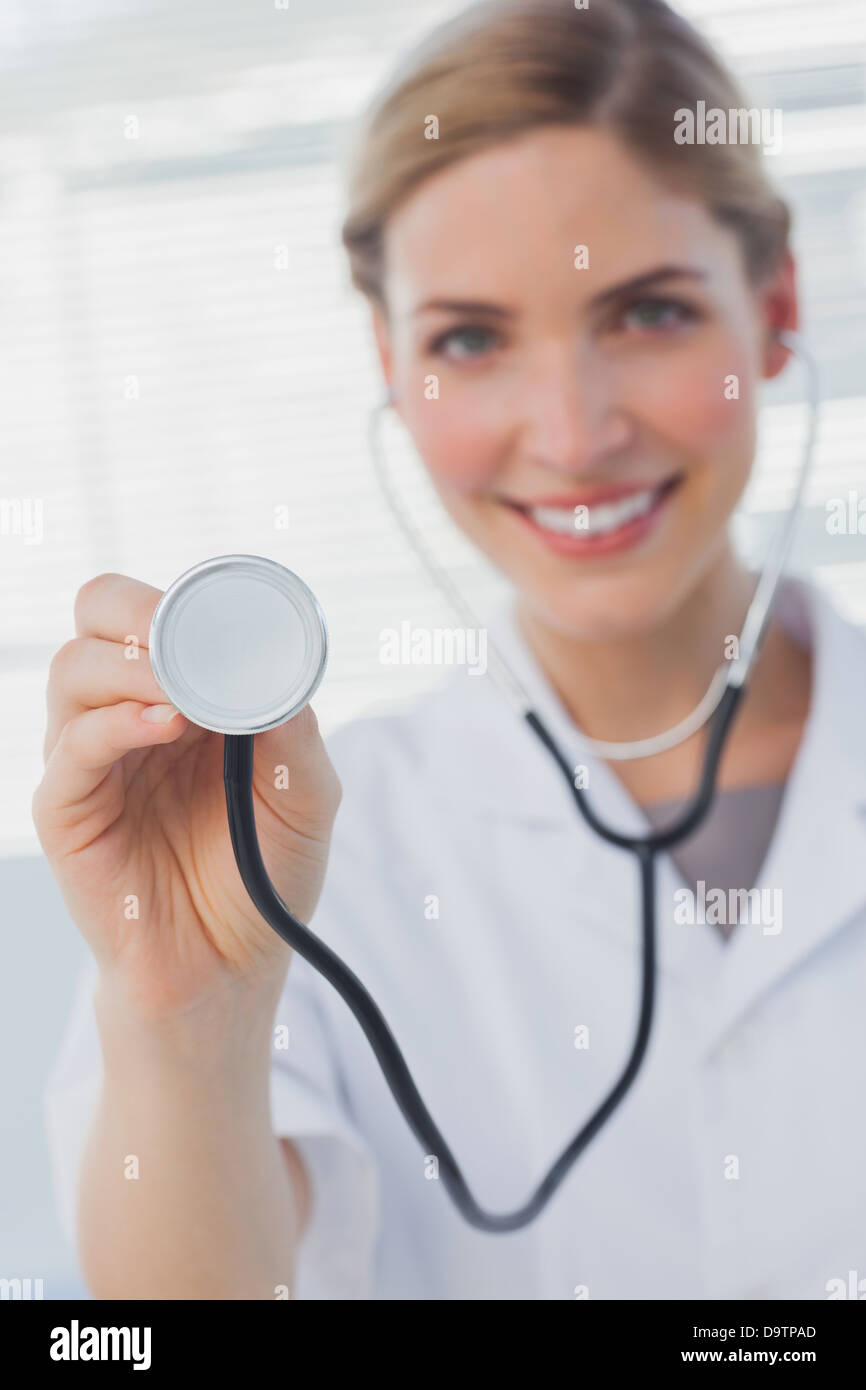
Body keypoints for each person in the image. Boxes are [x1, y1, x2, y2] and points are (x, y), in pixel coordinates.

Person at [36, 0, 866, 1301]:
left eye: (645, 314)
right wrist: (187, 1012)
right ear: (391, 366)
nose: (572, 431)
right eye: (469, 340)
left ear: (772, 309)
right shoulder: (300, 852)